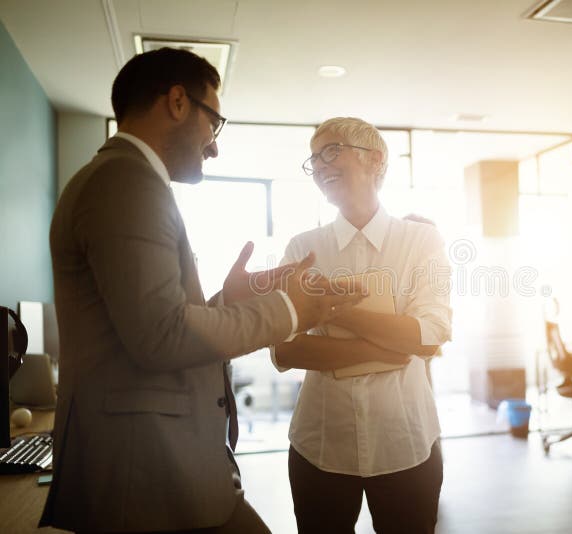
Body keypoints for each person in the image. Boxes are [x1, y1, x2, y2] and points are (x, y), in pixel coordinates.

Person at [40, 48, 362, 533]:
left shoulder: (122, 180)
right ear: (176, 102)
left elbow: (146, 319)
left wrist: (229, 301)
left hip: (162, 462)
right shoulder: (126, 182)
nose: (214, 146)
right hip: (144, 468)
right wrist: (289, 309)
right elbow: (162, 336)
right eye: (216, 122)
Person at [272, 117, 453, 534]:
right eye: (313, 158)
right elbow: (285, 349)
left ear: (375, 159)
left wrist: (330, 309)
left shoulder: (422, 242)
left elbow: (428, 335)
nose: (319, 165)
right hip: (320, 444)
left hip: (406, 442)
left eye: (331, 151)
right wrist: (388, 347)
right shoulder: (302, 248)